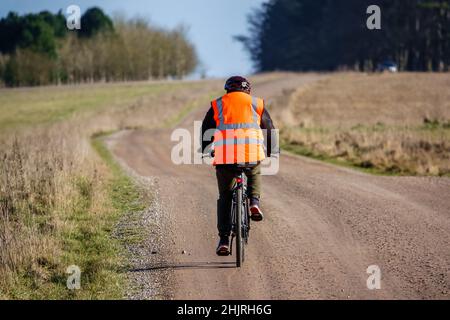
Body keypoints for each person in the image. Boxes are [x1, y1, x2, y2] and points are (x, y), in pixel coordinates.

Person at [201, 76, 279, 256]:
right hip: (251, 153)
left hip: (225, 157)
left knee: (225, 197)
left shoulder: (218, 104)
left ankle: (223, 240)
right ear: (248, 90)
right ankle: (254, 202)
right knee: (255, 170)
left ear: (227, 90)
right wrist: (273, 149)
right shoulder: (256, 103)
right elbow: (269, 127)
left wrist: (206, 149)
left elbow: (206, 129)